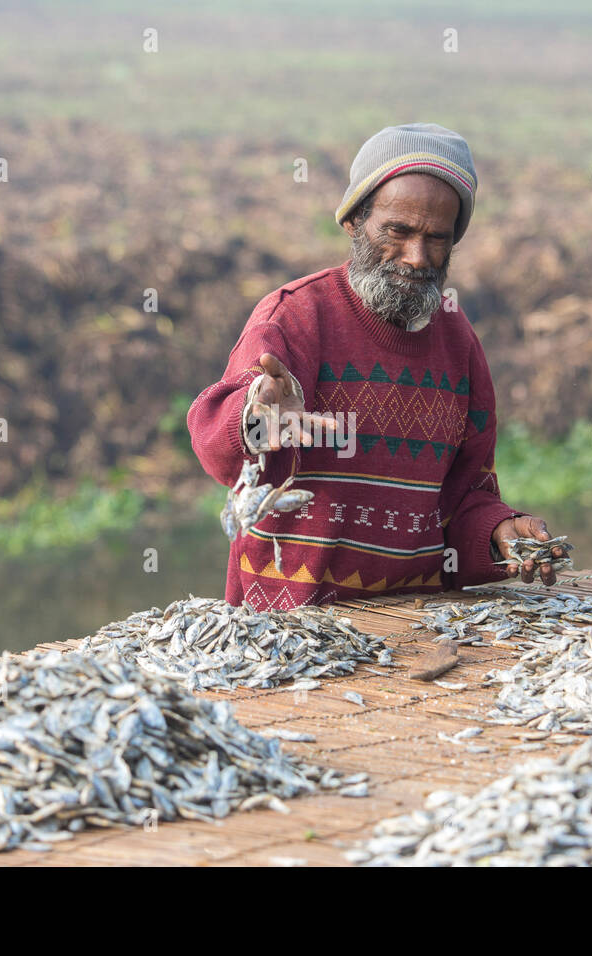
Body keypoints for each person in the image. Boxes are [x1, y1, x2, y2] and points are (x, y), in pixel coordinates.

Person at [187, 122, 564, 609]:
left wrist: (499, 532)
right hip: (288, 630)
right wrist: (254, 420)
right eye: (398, 231)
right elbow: (214, 445)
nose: (417, 257)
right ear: (353, 220)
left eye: (438, 238)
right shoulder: (296, 317)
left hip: (413, 632)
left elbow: (464, 496)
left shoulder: (458, 340)